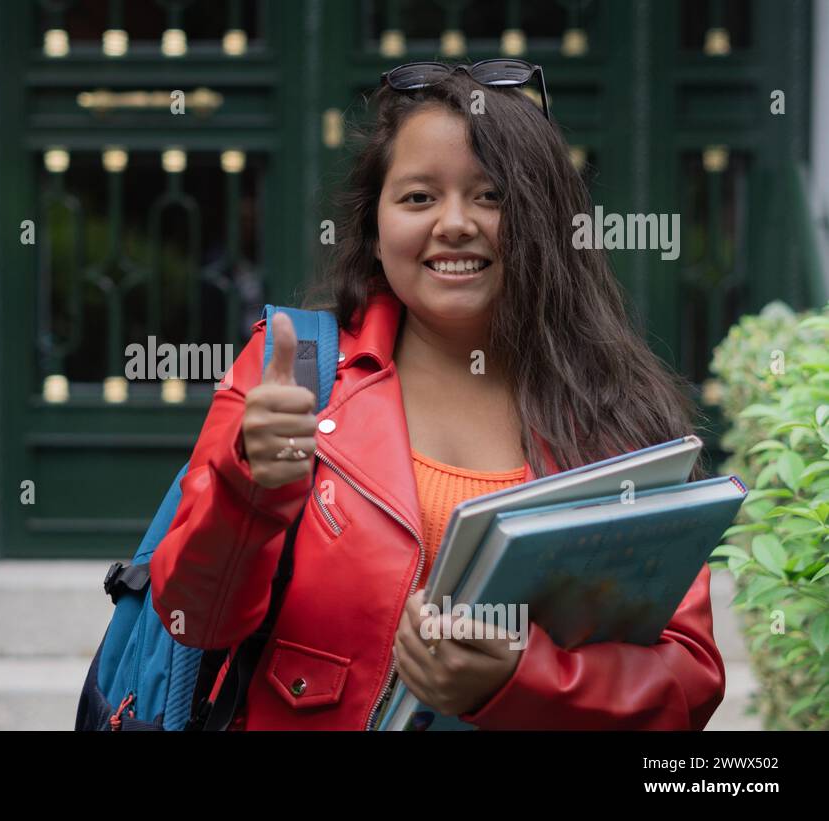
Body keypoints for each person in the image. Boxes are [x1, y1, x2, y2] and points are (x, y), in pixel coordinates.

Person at [148, 63, 723, 730]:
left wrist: (521, 678)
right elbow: (196, 617)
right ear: (374, 225)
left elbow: (688, 681)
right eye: (418, 197)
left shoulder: (617, 413)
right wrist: (251, 485)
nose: (454, 224)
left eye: (491, 196)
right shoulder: (294, 373)